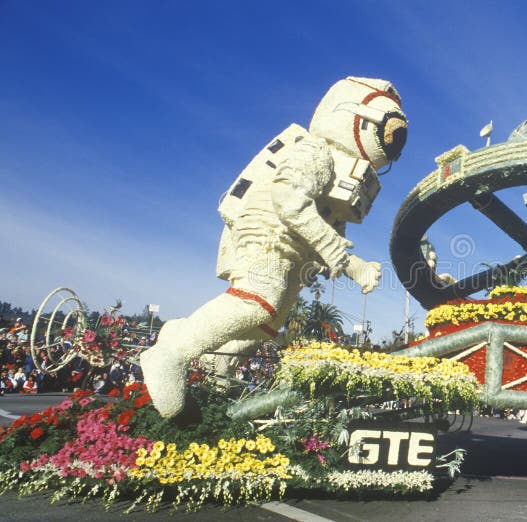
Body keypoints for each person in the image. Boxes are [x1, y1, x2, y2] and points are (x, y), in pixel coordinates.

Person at [141, 77, 407, 419]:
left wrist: (356, 267)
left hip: (295, 247)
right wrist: (332, 248)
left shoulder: (343, 174)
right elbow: (289, 200)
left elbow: (326, 238)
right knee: (259, 299)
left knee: (272, 318)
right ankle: (171, 352)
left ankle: (218, 365)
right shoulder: (315, 152)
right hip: (268, 229)